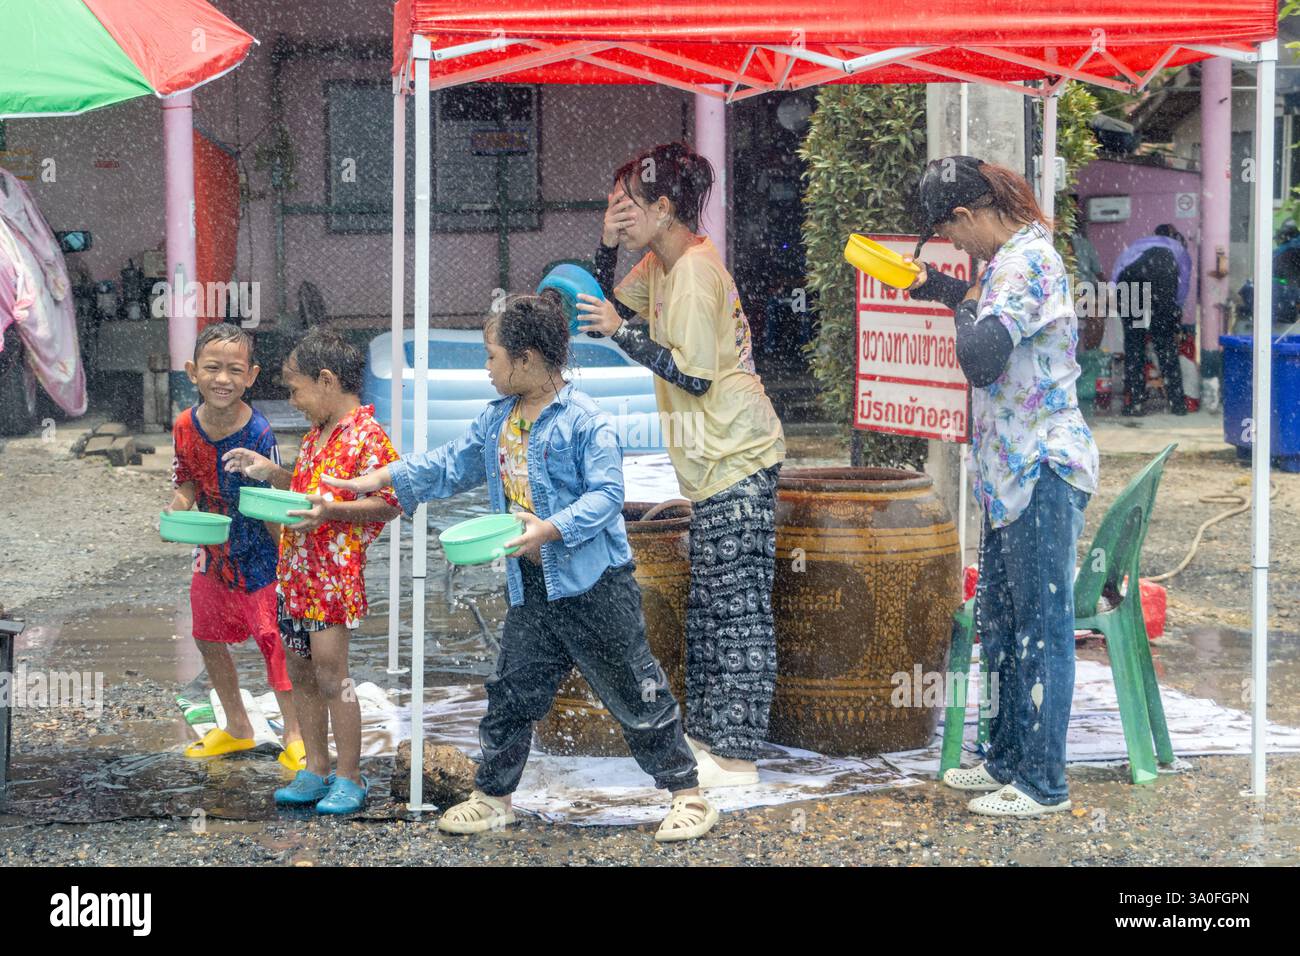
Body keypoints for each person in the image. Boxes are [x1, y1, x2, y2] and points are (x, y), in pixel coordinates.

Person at [327, 291, 716, 842]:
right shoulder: (498, 421)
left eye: (492, 356)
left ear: (526, 359)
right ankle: (494, 797)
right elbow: (448, 464)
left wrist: (550, 529)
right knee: (510, 691)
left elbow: (607, 496)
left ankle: (688, 796)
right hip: (531, 586)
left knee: (636, 688)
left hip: (594, 584)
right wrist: (381, 478)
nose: (486, 368)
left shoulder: (587, 422)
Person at [576, 141, 786, 788]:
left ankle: (740, 756)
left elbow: (691, 374)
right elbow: (601, 306)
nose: (618, 214)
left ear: (663, 206)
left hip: (738, 456)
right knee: (712, 609)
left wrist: (623, 333)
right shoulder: (660, 264)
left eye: (626, 206)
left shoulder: (693, 272)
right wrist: (605, 244)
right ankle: (712, 742)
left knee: (739, 612)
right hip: (712, 462)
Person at [904, 155, 1099, 817]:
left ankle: (1043, 783)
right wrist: (941, 288)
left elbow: (982, 356)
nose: (956, 246)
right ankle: (1004, 760)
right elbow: (987, 319)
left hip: (1041, 469)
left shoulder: (1025, 262)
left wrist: (959, 314)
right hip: (1008, 474)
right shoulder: (1006, 264)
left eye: (952, 234)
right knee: (1005, 623)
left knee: (1042, 630)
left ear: (966, 214)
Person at [222, 328, 402, 815]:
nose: (293, 400)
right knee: (299, 672)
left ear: (326, 380)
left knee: (332, 674)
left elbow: (388, 503)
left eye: (296, 388)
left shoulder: (367, 436)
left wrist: (332, 513)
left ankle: (350, 775)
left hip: (332, 579)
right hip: (296, 576)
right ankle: (315, 768)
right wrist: (267, 471)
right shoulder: (317, 435)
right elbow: (304, 491)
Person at [166, 323, 303, 770]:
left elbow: (276, 502)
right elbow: (185, 479)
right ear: (192, 372)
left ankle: (297, 735)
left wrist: (286, 564)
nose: (222, 379)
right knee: (207, 637)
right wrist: (178, 509)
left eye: (234, 370)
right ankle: (238, 726)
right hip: (213, 555)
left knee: (274, 642)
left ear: (251, 376)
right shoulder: (185, 426)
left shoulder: (259, 434)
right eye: (212, 368)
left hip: (261, 553)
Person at [1112, 224, 1193, 415]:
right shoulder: (1178, 248)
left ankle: (1135, 403)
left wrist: (1118, 299)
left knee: (1134, 345)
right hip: (1162, 283)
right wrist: (1175, 310)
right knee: (1165, 346)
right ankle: (1177, 404)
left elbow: (1117, 271)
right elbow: (1184, 284)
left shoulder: (1138, 244)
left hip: (1130, 281)